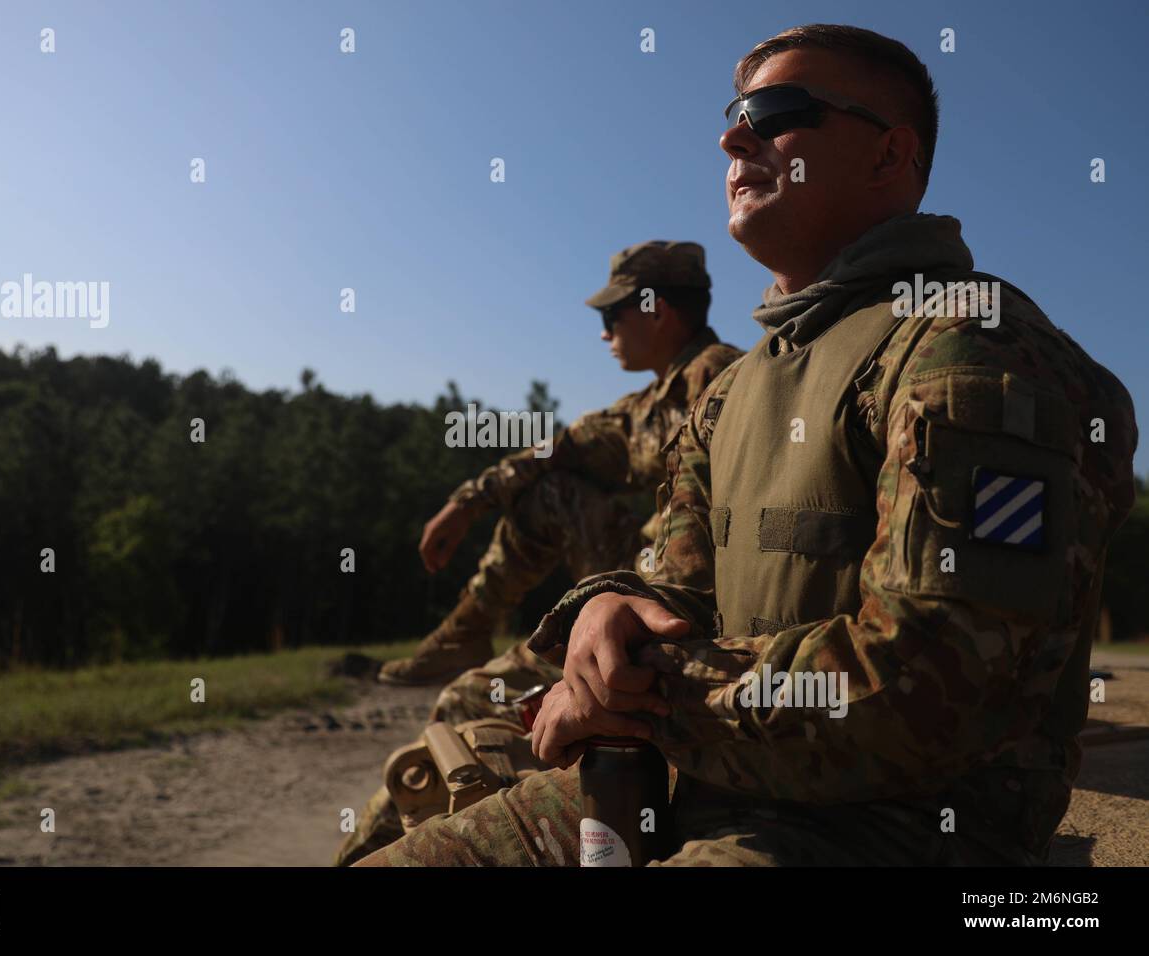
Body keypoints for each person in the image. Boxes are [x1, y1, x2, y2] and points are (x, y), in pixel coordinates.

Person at [356, 23, 1137, 867]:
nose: (733, 134)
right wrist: (610, 610)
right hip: (687, 770)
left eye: (775, 111)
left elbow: (923, 692)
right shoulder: (735, 389)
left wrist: (640, 696)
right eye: (735, 113)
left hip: (890, 822)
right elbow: (678, 585)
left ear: (889, 156)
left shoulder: (971, 350)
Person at [333, 242, 743, 865]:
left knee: (468, 705)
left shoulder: (718, 380)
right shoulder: (650, 403)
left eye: (614, 315)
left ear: (657, 310)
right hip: (622, 605)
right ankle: (466, 640)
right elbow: (560, 448)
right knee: (466, 692)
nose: (604, 332)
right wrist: (469, 499)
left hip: (667, 623)